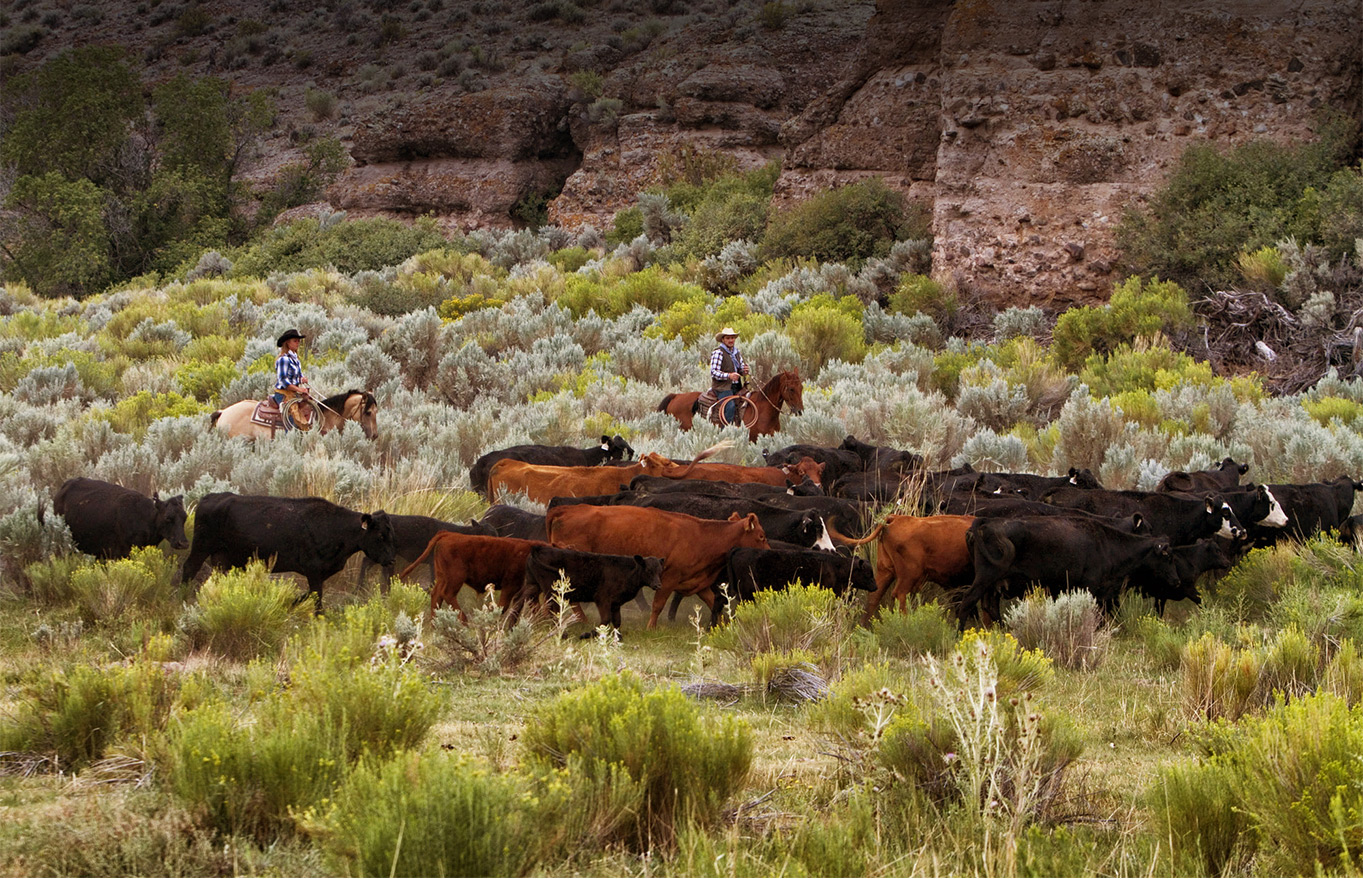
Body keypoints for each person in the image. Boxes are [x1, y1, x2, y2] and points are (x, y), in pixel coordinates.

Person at [271, 328, 312, 429]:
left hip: (293, 393)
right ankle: (289, 435)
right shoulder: (283, 359)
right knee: (292, 417)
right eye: (295, 341)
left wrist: (301, 379)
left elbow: (295, 377)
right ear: (288, 343)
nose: (298, 343)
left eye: (298, 341)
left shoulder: (295, 359)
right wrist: (299, 389)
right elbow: (284, 381)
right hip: (283, 393)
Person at [709, 327, 750, 426]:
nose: (731, 340)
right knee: (730, 407)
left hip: (737, 386)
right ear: (723, 339)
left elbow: (740, 368)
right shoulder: (718, 352)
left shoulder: (736, 353)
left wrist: (744, 371)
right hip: (722, 388)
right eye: (728, 338)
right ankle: (726, 431)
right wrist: (729, 376)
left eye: (732, 338)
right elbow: (714, 372)